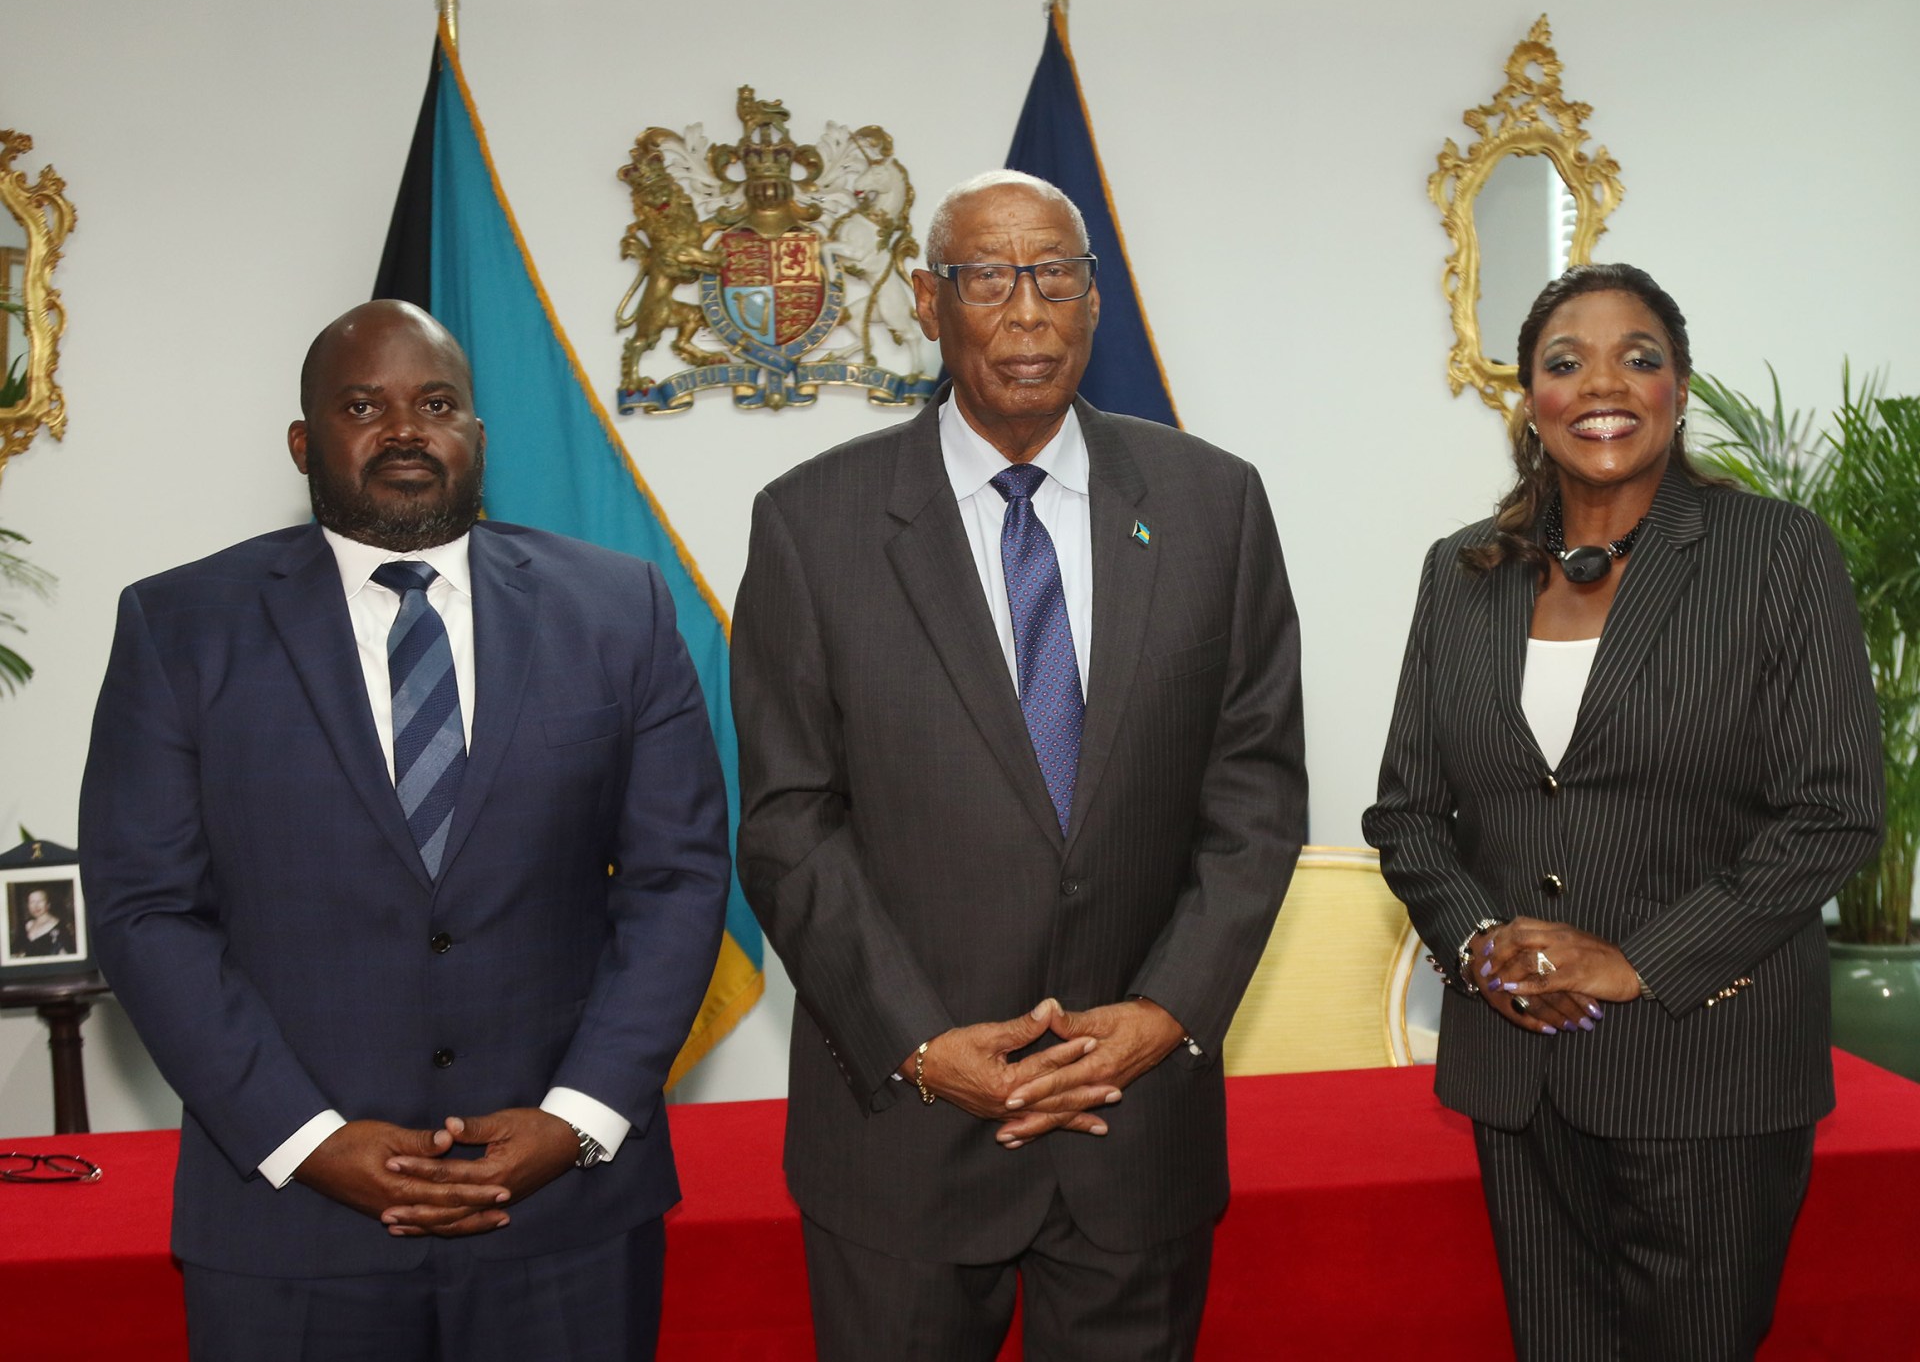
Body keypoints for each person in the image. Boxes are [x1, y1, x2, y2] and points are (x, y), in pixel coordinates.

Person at [79, 300, 731, 1362]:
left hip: (562, 1216)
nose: (403, 430)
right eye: (361, 406)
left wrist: (576, 1117)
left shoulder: (621, 609)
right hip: (291, 1224)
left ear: (477, 434)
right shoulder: (180, 626)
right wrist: (309, 1139)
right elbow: (145, 910)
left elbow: (679, 878)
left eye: (435, 404)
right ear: (304, 443)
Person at [732, 170, 1307, 1361]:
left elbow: (1254, 792)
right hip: (903, 1135)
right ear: (927, 300)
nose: (1028, 309)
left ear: (1094, 298)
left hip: (1134, 1125)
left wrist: (1163, 1013)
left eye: (1055, 274)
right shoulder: (813, 521)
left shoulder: (1214, 503)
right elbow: (790, 821)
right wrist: (918, 1040)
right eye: (988, 277)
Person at [1364, 263, 1883, 1361]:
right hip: (1518, 1065)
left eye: (1638, 358)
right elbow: (1406, 812)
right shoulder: (1462, 572)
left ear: (1679, 388)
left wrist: (1635, 961)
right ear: (1532, 399)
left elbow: (1834, 811)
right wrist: (1480, 944)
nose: (1603, 382)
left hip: (1708, 1062)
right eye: (1567, 362)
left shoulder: (1775, 552)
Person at [16, 887, 73, 956]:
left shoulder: (60, 927)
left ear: (48, 904)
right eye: (32, 902)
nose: (36, 906)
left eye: (40, 901)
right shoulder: (27, 925)